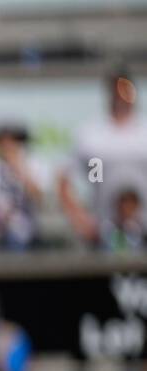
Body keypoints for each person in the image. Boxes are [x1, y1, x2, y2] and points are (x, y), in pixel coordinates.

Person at [59, 71, 147, 246]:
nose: (121, 97)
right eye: (117, 91)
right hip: (104, 229)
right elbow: (64, 179)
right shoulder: (91, 134)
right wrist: (80, 220)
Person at [0, 122, 47, 251]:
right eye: (1, 141)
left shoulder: (33, 165)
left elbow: (39, 198)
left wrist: (18, 168)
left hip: (25, 235)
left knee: (19, 238)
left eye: (13, 140)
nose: (7, 145)